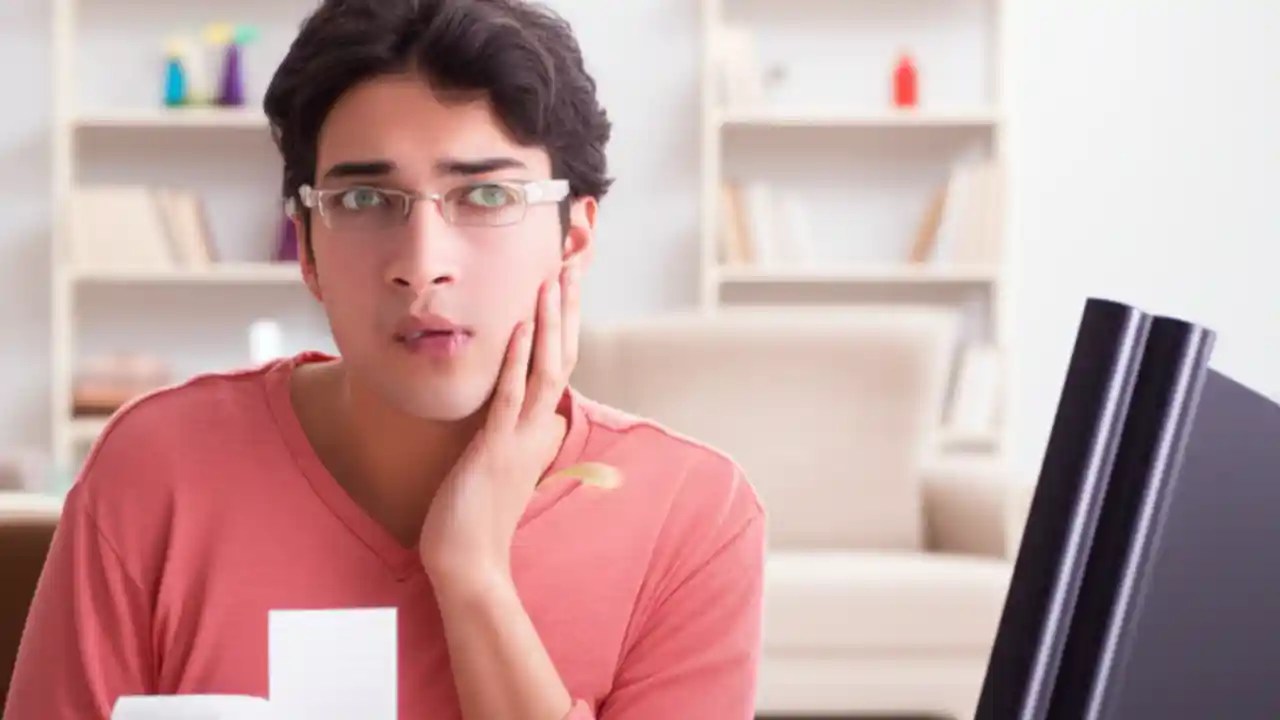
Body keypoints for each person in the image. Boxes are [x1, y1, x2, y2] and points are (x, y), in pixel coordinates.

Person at [4, 1, 766, 718]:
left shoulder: (691, 516)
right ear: (305, 246)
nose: (422, 264)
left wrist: (472, 572)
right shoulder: (159, 466)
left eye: (488, 197)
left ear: (573, 237)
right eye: (366, 202)